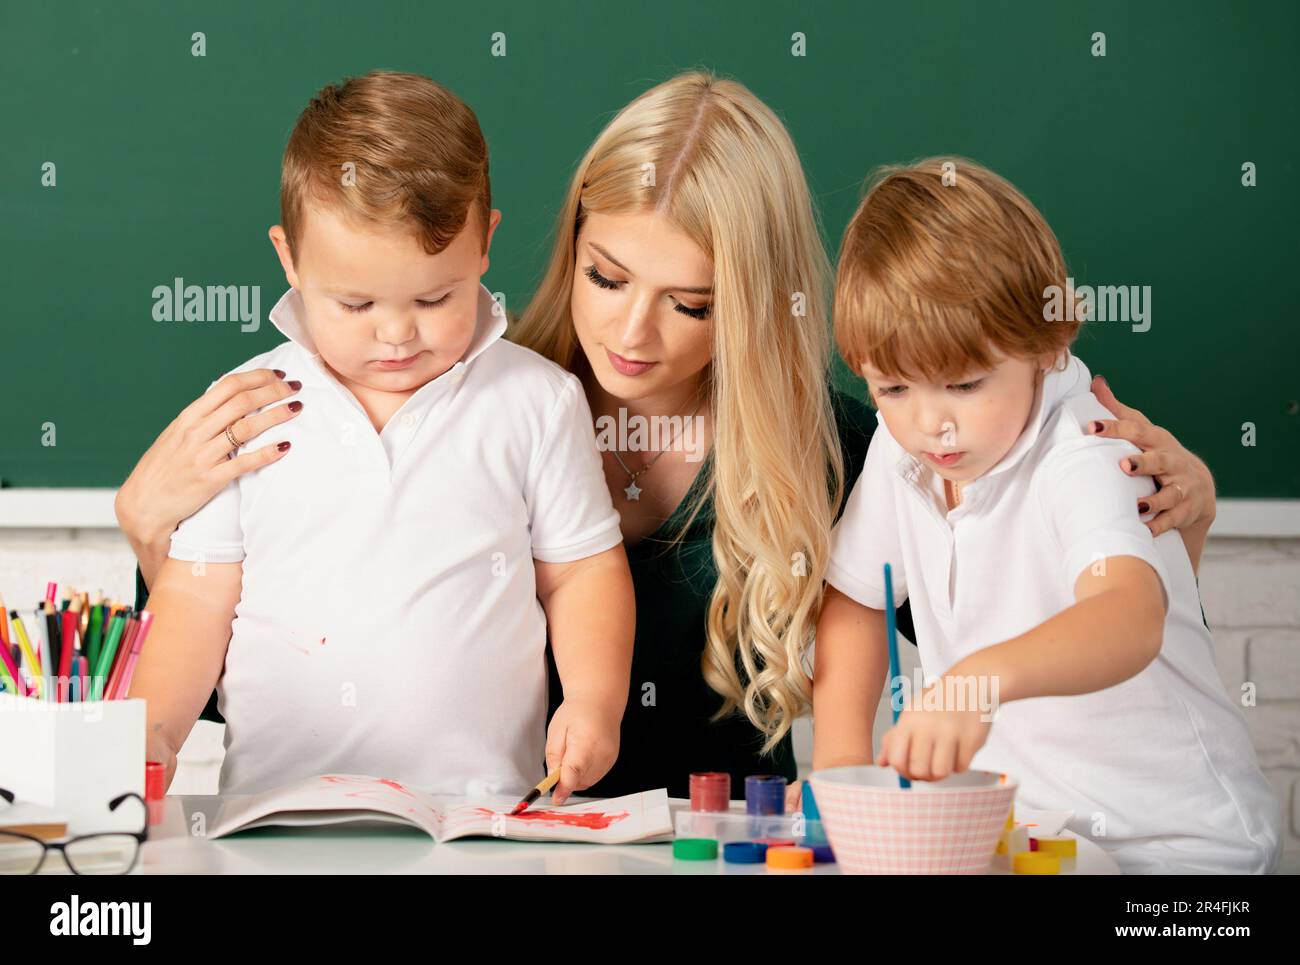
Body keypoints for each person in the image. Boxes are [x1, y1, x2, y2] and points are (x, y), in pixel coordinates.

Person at [126, 72, 634, 801]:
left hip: (483, 812)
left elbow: (582, 573)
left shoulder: (537, 401)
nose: (396, 334)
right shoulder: (245, 407)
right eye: (354, 302)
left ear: (485, 242)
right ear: (290, 259)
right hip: (276, 811)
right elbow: (197, 601)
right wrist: (154, 730)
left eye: (434, 298)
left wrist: (594, 702)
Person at [815, 157, 1279, 872]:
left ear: (1048, 343)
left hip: (1180, 848)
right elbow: (853, 594)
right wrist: (841, 770)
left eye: (964, 384)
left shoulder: (1085, 450)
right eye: (893, 385)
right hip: (1039, 836)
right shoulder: (899, 448)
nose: (931, 422)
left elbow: (1128, 613)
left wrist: (976, 681)